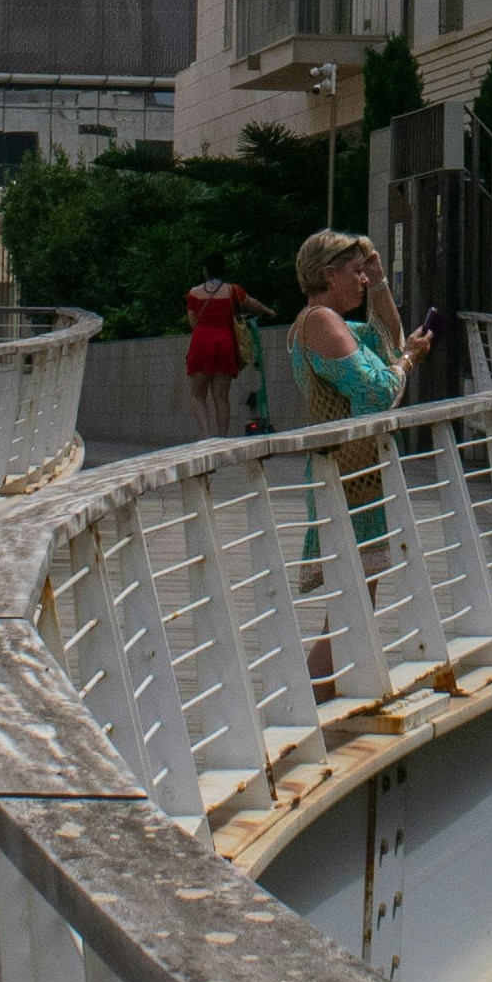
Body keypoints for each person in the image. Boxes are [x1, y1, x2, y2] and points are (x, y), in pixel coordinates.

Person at [272, 229, 436, 727]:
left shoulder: (329, 321)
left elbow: (386, 340)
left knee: (356, 596)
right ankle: (306, 712)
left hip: (354, 471)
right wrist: (410, 361)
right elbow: (381, 386)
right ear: (329, 275)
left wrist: (384, 281)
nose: (364, 279)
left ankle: (324, 703)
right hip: (345, 473)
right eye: (357, 271)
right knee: (351, 598)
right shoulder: (320, 321)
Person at [182, 270, 260, 440]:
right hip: (225, 341)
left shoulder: (194, 293)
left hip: (202, 342)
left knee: (198, 394)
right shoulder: (232, 290)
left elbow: (192, 320)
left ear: (204, 270)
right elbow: (251, 302)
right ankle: (222, 438)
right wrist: (268, 311)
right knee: (222, 396)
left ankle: (206, 435)